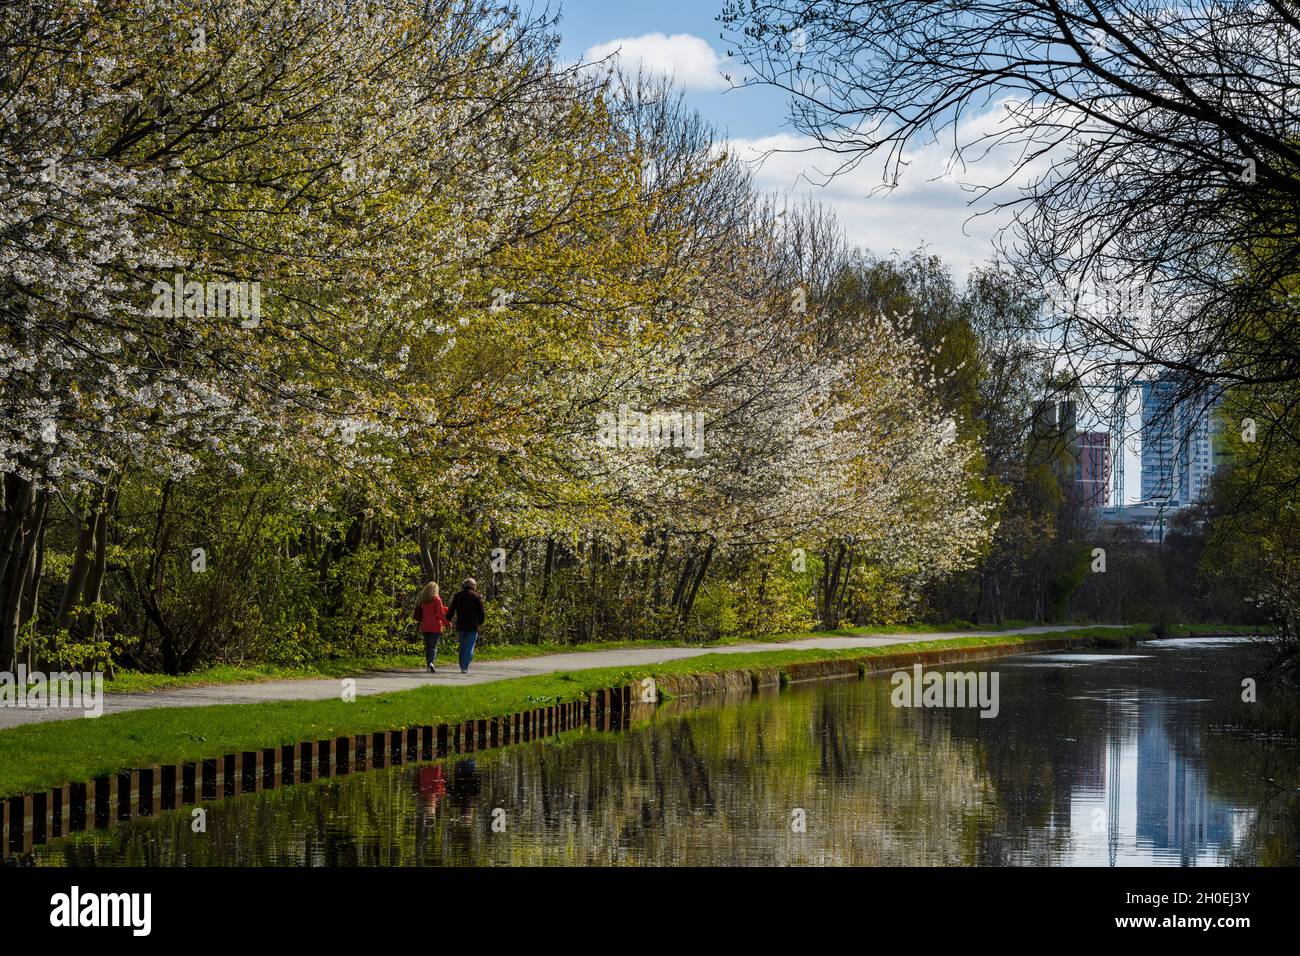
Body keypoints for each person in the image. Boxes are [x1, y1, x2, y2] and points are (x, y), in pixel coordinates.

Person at [445, 577, 486, 674]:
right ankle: (465, 666)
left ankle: (462, 665)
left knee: (462, 646)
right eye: (475, 585)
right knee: (469, 646)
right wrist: (481, 621)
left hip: (461, 625)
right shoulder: (476, 596)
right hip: (472, 625)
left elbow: (451, 609)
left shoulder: (457, 596)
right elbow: (481, 612)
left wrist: (448, 619)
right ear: (472, 586)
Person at [412, 582, 449, 673]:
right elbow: (440, 614)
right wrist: (447, 623)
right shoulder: (437, 599)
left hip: (425, 627)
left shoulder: (423, 600)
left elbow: (428, 611)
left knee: (428, 647)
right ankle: (431, 663)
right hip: (435, 627)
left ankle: (429, 664)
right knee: (433, 646)